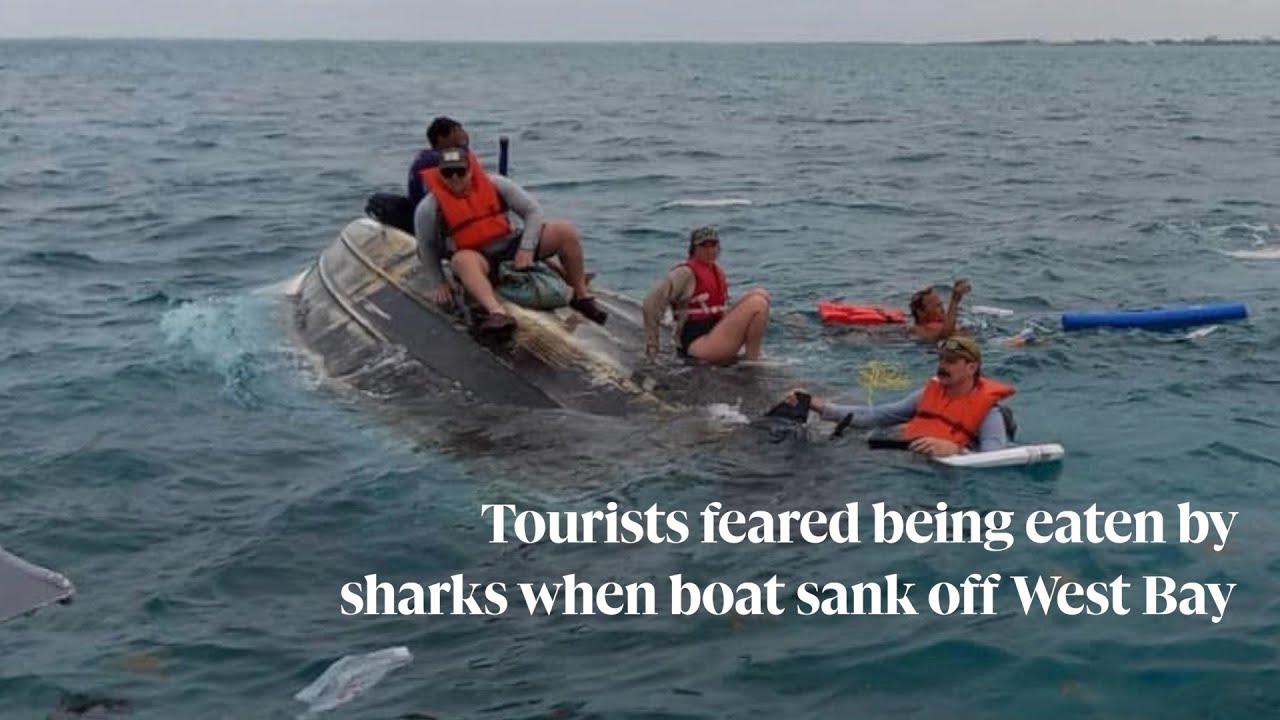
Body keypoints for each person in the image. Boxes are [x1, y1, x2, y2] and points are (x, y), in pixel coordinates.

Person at [414, 147, 608, 333]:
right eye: (448, 173)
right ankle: (496, 312)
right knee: (462, 260)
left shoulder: (496, 184)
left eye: (459, 171)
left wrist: (527, 248)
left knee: (565, 231)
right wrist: (438, 282)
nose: (455, 178)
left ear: (470, 169)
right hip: (479, 258)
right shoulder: (429, 207)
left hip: (510, 245)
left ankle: (582, 295)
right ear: (440, 174)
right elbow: (426, 245)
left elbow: (533, 211)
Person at [782, 335, 1015, 457]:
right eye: (941, 360)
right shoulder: (926, 394)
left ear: (971, 368)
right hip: (907, 462)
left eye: (951, 362)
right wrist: (816, 404)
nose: (942, 366)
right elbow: (874, 417)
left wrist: (957, 450)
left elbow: (994, 457)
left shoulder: (989, 414)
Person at [641, 226, 771, 365]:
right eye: (703, 246)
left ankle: (750, 355)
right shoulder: (685, 273)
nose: (710, 250)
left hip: (714, 331)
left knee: (761, 293)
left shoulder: (715, 270)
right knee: (757, 304)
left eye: (713, 245)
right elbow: (651, 303)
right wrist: (652, 345)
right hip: (697, 343)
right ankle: (752, 361)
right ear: (693, 249)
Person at [407, 116, 470, 207]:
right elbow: (463, 154)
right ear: (441, 137)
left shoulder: (427, 155)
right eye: (456, 132)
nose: (461, 135)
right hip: (426, 212)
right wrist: (464, 142)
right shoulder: (435, 158)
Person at [908, 278, 970, 342]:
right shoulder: (916, 330)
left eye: (941, 304)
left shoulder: (945, 321)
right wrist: (955, 299)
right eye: (937, 306)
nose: (942, 309)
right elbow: (945, 335)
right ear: (920, 312)